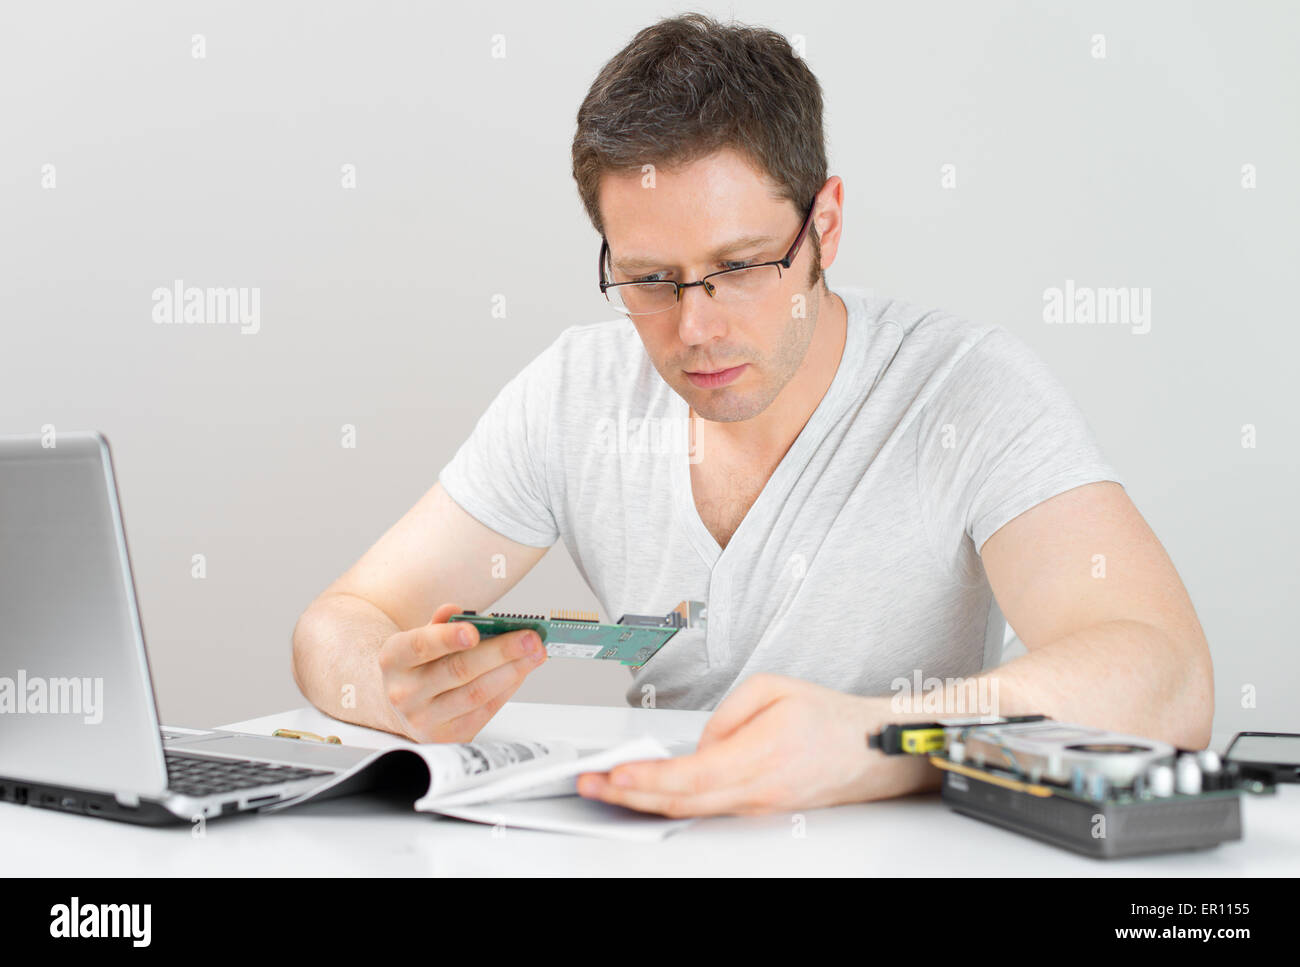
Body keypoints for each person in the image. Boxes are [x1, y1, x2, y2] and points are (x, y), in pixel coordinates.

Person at [292, 13, 1212, 818]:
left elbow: (1166, 676)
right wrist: (385, 683)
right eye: (649, 280)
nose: (695, 327)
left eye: (739, 266)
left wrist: (874, 742)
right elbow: (336, 623)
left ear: (826, 227)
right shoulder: (574, 393)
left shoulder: (967, 390)